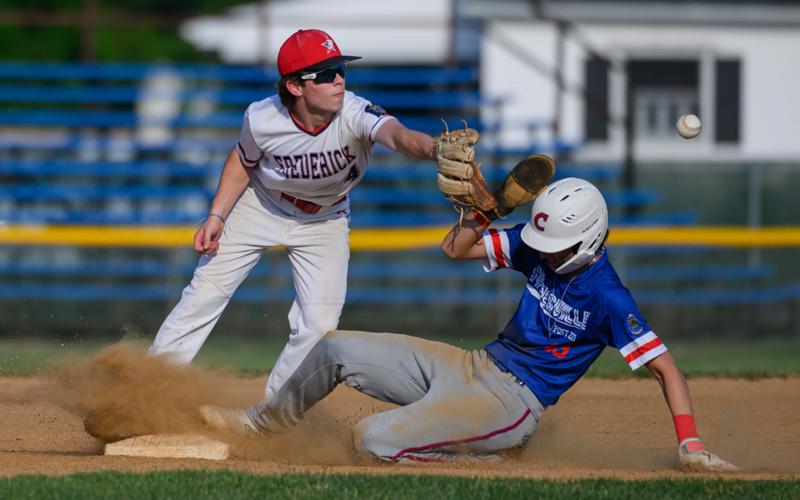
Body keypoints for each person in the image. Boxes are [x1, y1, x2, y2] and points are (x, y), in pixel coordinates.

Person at [199, 177, 737, 472]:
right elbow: (454, 249)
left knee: (371, 441)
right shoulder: (537, 245)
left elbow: (668, 370)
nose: (545, 255)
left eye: (559, 248)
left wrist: (690, 444)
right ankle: (261, 424)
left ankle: (486, 451)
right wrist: (487, 209)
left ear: (592, 238)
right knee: (332, 347)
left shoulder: (610, 298)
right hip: (474, 365)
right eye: (543, 245)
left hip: (513, 404)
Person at [148, 29, 436, 403]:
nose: (338, 80)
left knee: (319, 325)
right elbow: (243, 159)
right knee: (203, 294)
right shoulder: (262, 117)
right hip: (262, 204)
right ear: (296, 86)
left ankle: (271, 414)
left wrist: (434, 149)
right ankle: (146, 392)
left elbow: (398, 136)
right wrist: (217, 215)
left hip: (325, 219)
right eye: (326, 73)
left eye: (340, 70)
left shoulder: (354, 112)